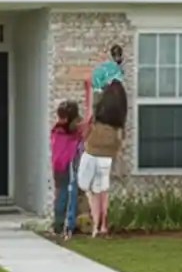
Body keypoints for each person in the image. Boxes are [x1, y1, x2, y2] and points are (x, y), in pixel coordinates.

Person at [77, 78, 126, 237]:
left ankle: (95, 225)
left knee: (86, 185)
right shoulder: (120, 111)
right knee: (102, 188)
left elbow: (89, 116)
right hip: (110, 149)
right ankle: (104, 225)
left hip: (94, 146)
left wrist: (88, 90)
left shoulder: (101, 107)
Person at [50, 100, 83, 239]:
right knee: (66, 194)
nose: (60, 119)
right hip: (65, 166)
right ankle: (63, 225)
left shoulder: (58, 131)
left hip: (64, 165)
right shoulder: (66, 132)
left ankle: (64, 226)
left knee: (65, 194)